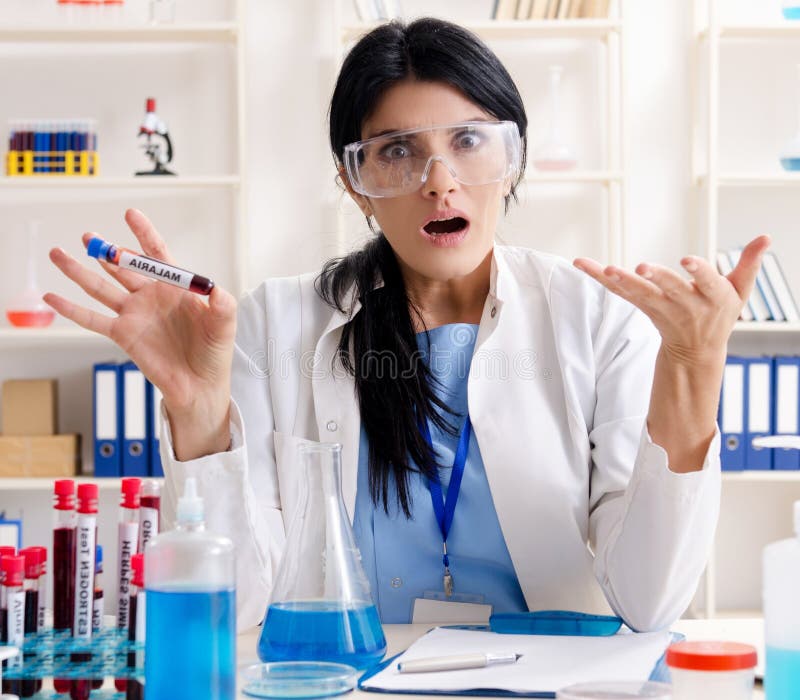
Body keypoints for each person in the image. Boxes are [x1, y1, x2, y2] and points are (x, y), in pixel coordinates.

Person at [46, 17, 768, 632]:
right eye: (396, 151)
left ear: (511, 161)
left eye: (468, 141)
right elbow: (239, 606)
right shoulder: (276, 320)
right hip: (348, 674)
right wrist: (201, 417)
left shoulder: (601, 320)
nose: (438, 179)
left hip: (553, 674)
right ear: (355, 184)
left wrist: (696, 370)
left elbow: (651, 602)